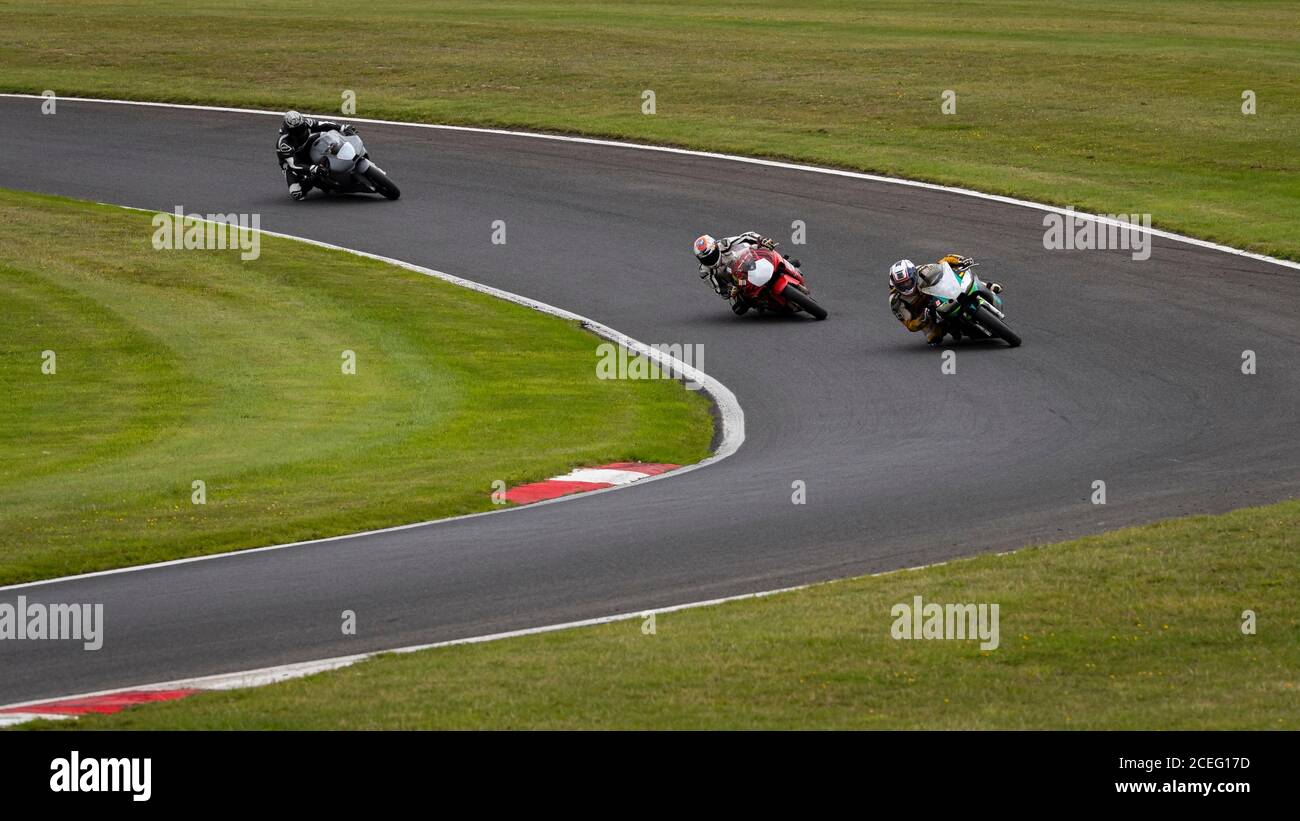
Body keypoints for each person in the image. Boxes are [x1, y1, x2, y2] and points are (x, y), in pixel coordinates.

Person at [889, 255, 1001, 346]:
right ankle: (954, 329)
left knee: (962, 277)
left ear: (913, 275)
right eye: (901, 285)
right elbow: (909, 325)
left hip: (940, 294)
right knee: (933, 337)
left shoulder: (922, 270)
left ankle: (987, 286)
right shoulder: (895, 301)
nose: (906, 287)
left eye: (908, 282)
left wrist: (960, 261)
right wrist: (921, 319)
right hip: (925, 314)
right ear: (895, 285)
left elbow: (943, 262)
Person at [694, 231, 791, 315]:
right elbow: (719, 289)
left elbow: (746, 236)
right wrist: (728, 290)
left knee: (767, 248)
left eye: (712, 256)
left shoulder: (724, 244)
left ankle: (784, 263)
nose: (710, 260)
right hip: (738, 282)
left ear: (716, 248)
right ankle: (765, 303)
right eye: (706, 259)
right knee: (740, 307)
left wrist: (761, 240)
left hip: (748, 260)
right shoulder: (705, 272)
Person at [275, 110, 358, 201]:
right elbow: (294, 165)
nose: (300, 131)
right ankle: (317, 179)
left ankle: (347, 151)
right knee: (297, 193)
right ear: (289, 130)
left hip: (308, 145)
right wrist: (313, 169)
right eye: (295, 130)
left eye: (301, 127)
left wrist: (343, 127)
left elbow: (324, 124)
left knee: (326, 135)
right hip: (295, 162)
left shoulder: (306, 123)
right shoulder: (284, 144)